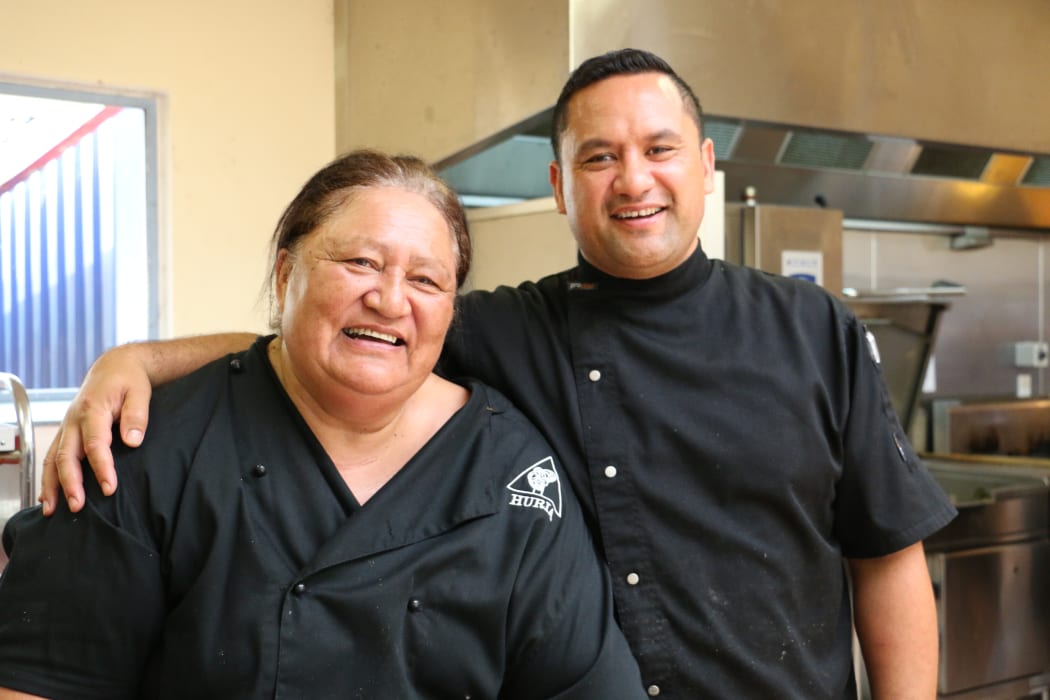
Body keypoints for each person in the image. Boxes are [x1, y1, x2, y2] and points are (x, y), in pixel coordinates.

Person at [38, 50, 957, 698]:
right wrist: (141, 360)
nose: (632, 179)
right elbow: (341, 337)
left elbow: (887, 555)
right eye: (598, 157)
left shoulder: (813, 328)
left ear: (705, 167)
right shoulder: (512, 326)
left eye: (659, 149)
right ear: (560, 186)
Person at [0, 150, 646, 699]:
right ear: (286, 274)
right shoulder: (146, 448)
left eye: (426, 279)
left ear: (452, 309)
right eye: (359, 263)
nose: (391, 300)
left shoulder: (512, 473)